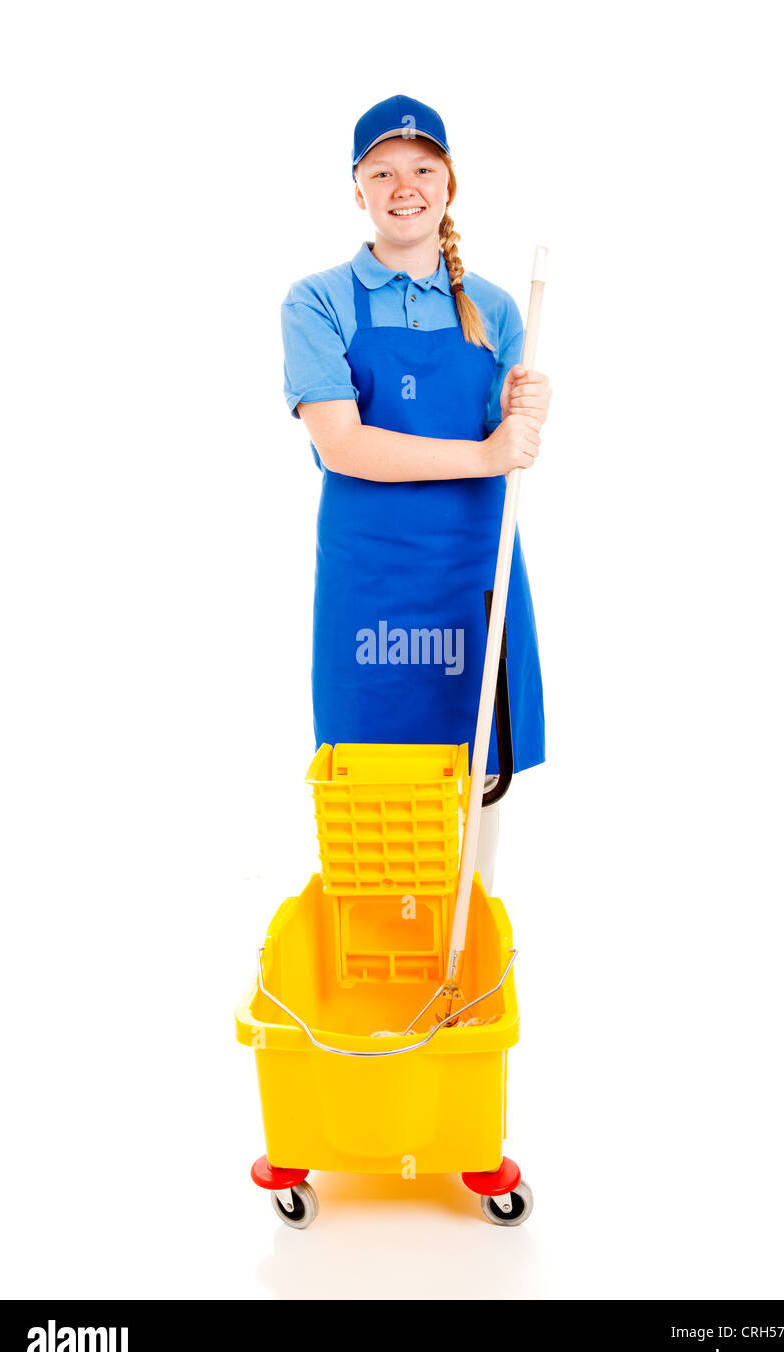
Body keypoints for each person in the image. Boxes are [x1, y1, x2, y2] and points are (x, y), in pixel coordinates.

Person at [281, 95, 551, 891]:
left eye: (424, 168)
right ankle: (373, 940)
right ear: (356, 187)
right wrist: (487, 452)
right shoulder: (316, 300)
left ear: (449, 184)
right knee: (368, 754)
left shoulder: (496, 308)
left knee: (475, 754)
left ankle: (468, 941)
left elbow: (510, 439)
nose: (406, 185)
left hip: (474, 573)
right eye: (383, 170)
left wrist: (527, 414)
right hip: (372, 581)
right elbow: (343, 443)